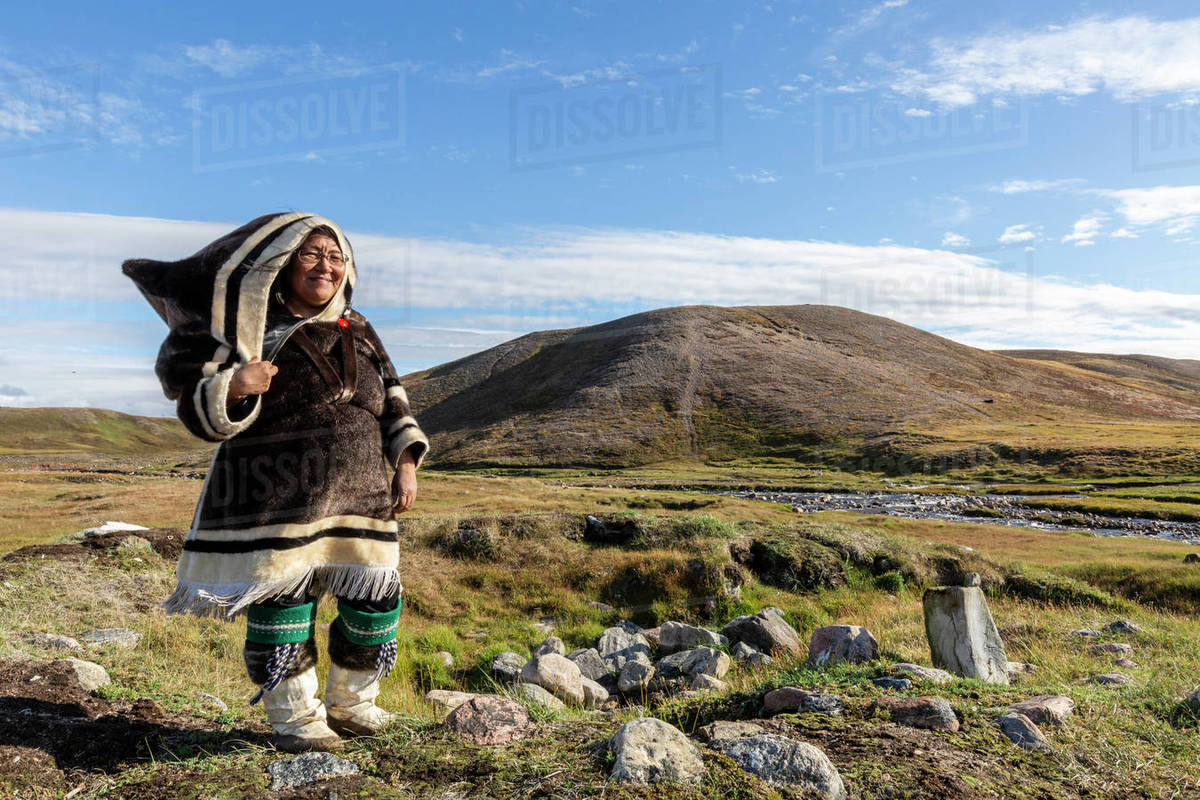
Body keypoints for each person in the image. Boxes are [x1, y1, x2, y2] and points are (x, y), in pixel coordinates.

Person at [123, 213, 428, 752]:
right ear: (284, 263)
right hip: (276, 490)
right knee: (285, 602)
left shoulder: (359, 326)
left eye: (335, 257)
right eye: (311, 255)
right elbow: (193, 400)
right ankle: (295, 719)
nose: (325, 266)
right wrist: (235, 385)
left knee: (375, 599)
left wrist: (404, 458)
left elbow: (393, 393)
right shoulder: (248, 327)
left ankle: (353, 703)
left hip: (360, 491)